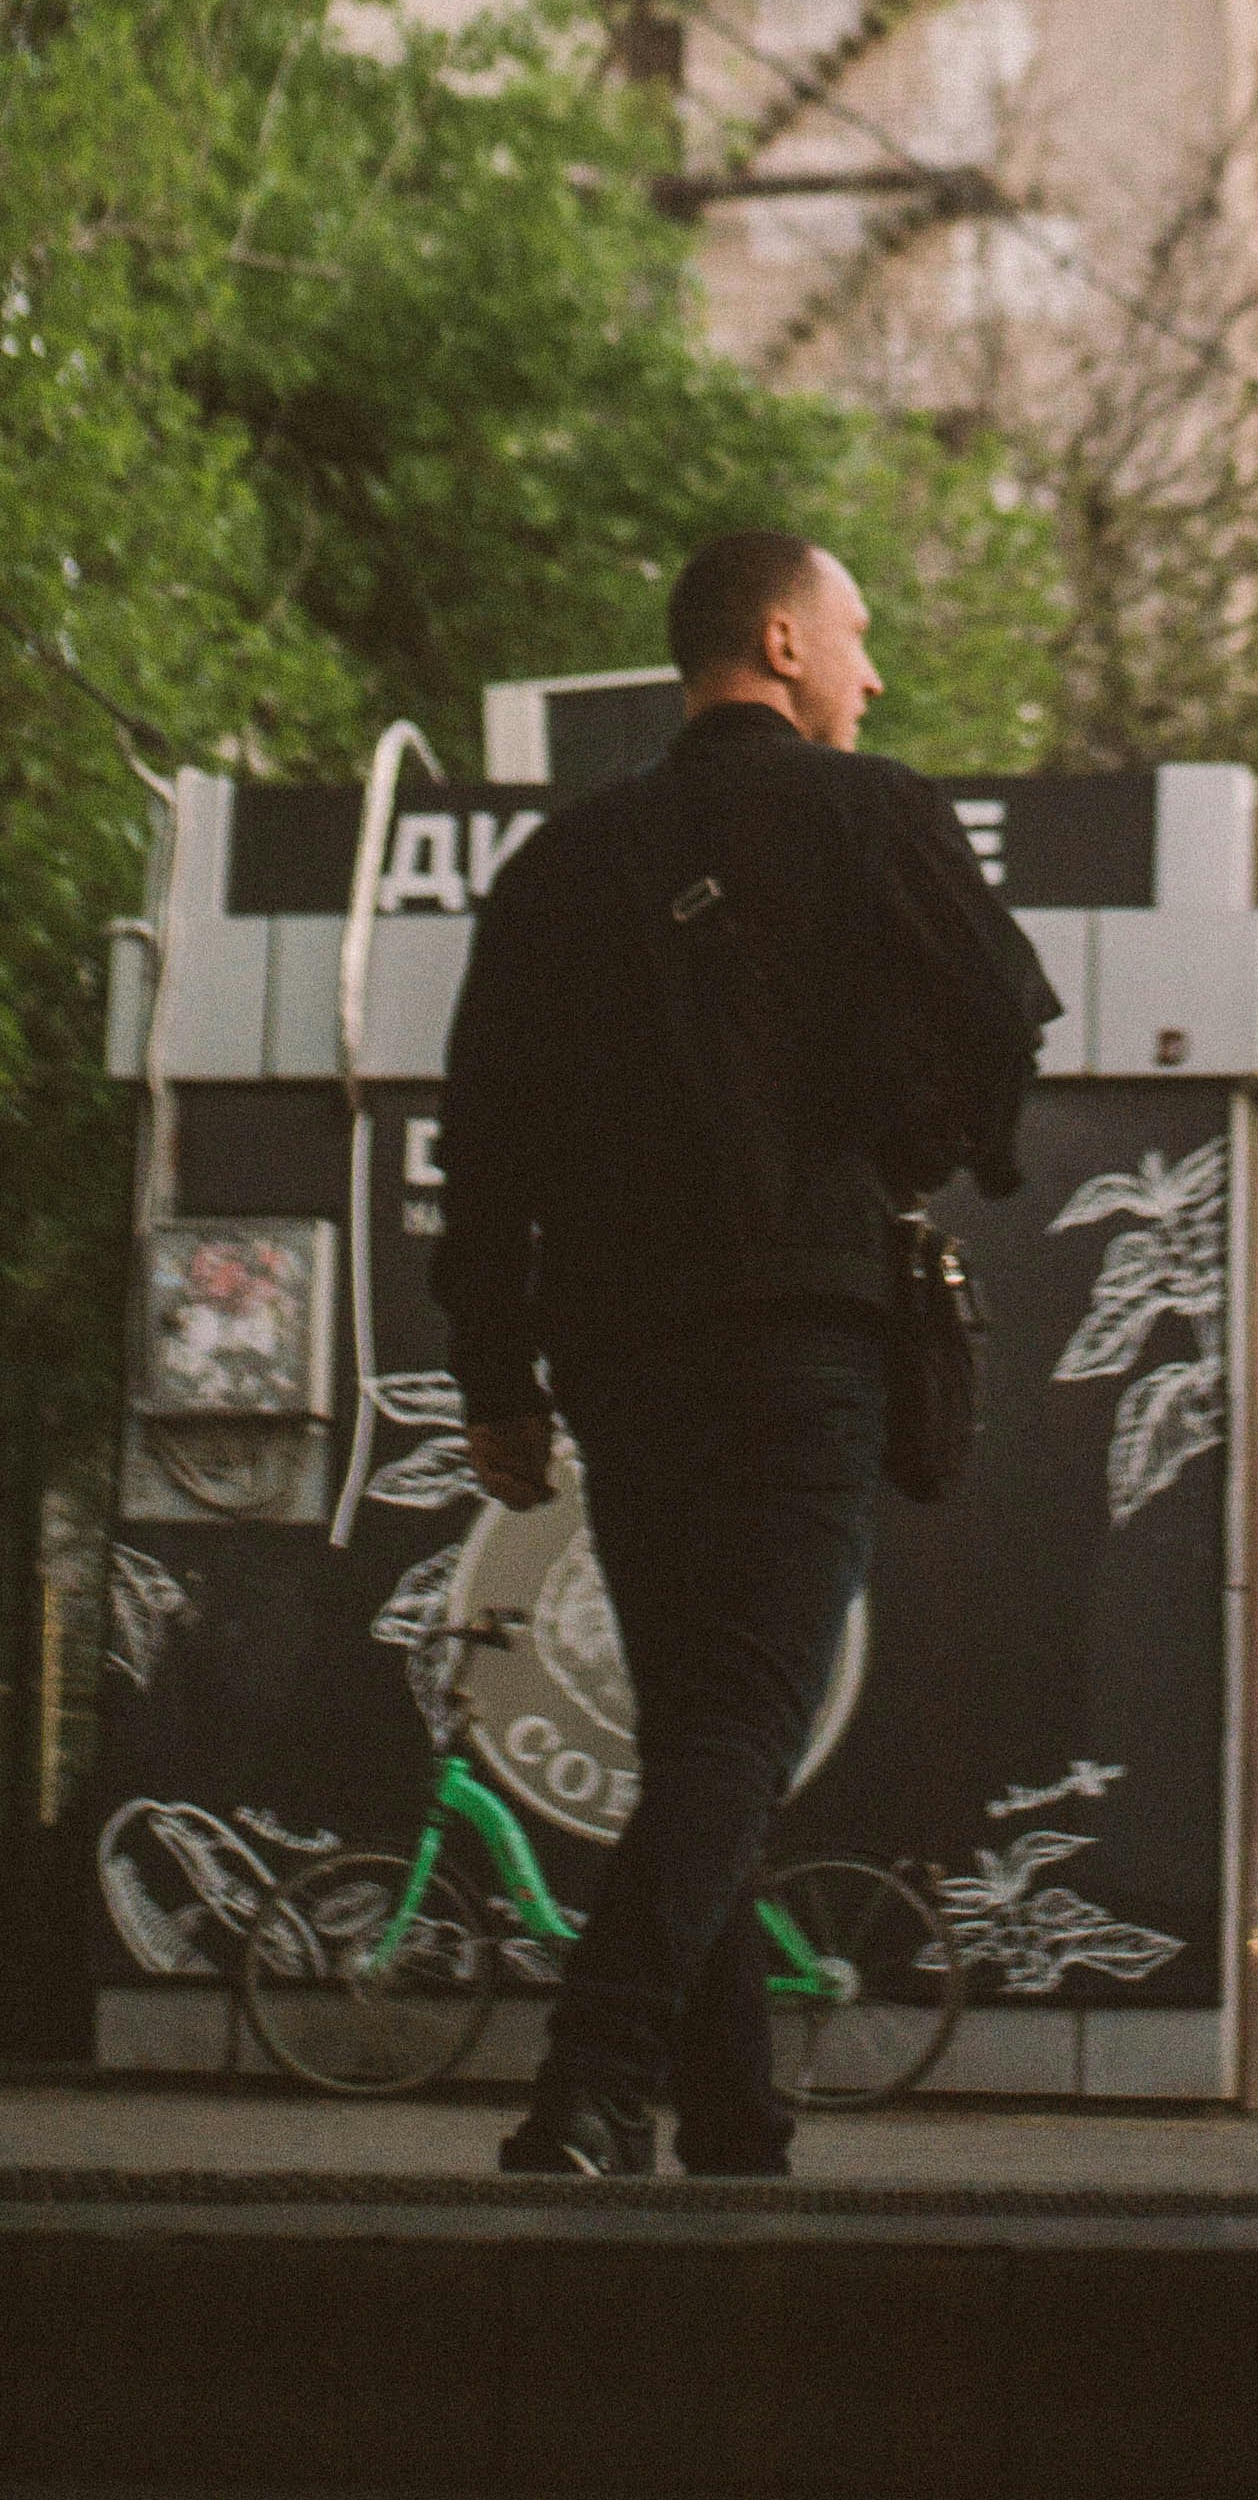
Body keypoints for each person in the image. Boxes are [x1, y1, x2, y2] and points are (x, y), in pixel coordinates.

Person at [437, 528, 1056, 2181]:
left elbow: (481, 1140)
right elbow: (1009, 1008)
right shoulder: (874, 816)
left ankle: (733, 2119)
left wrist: (496, 1377)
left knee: (695, 1725)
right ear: (780, 645)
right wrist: (908, 1146)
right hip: (802, 1334)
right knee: (740, 1730)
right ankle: (589, 2081)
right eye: (858, 638)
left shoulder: (564, 866)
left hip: (620, 1356)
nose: (877, 675)